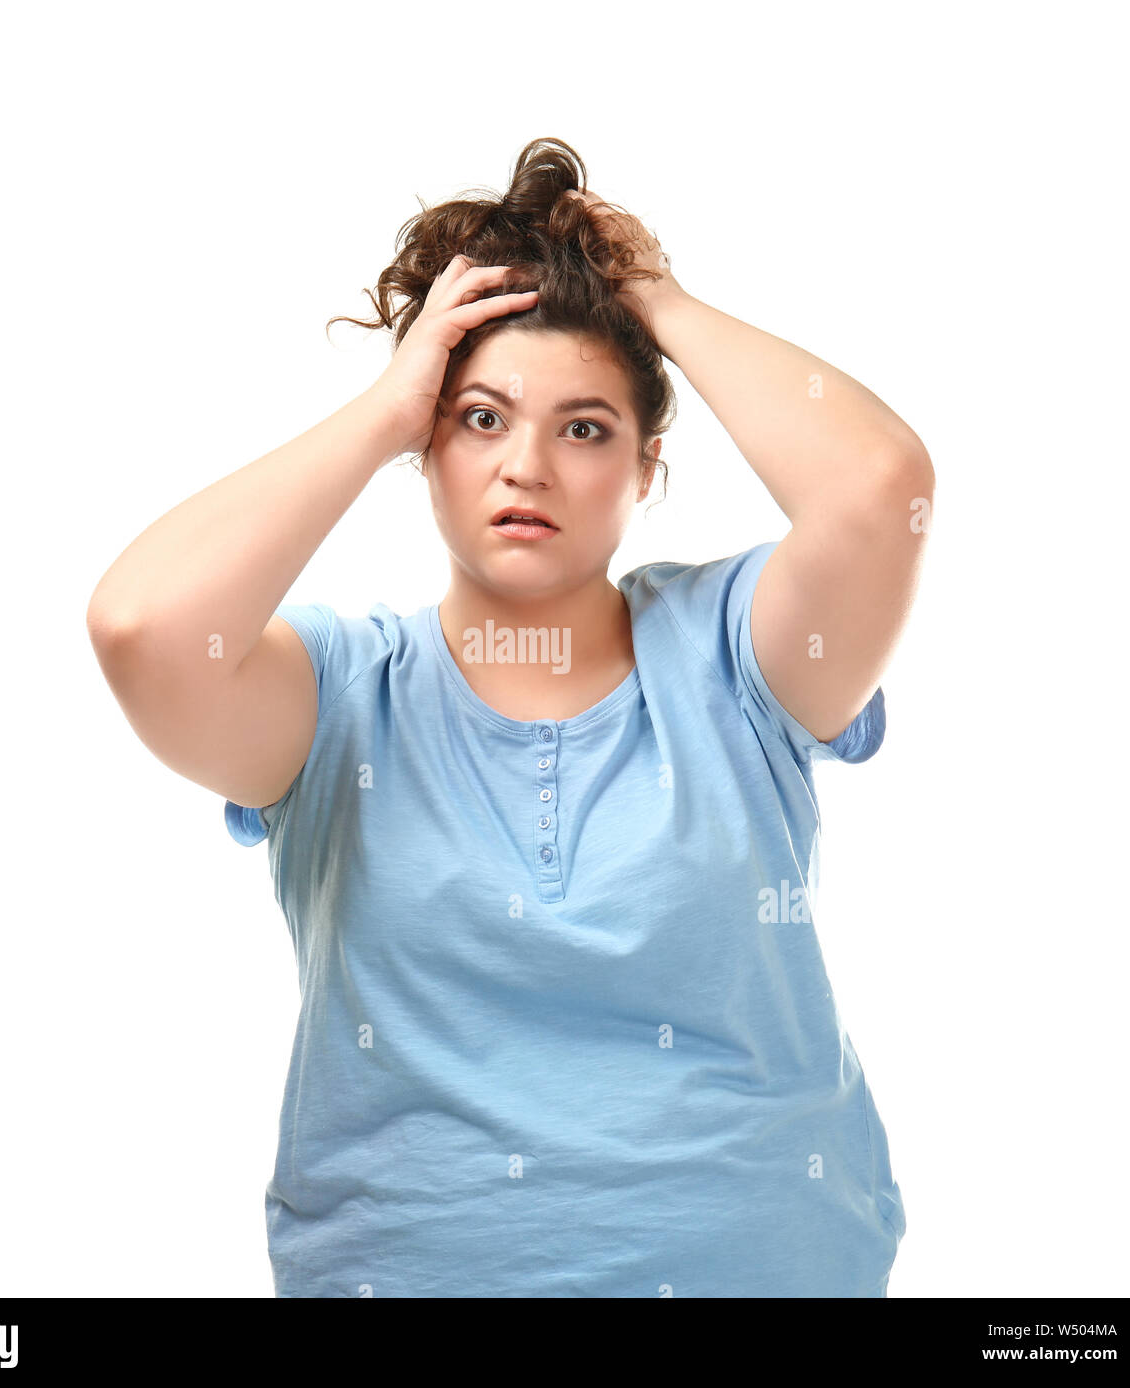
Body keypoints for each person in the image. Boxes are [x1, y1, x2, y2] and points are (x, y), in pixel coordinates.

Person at [86, 137, 933, 1297]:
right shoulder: (339, 695)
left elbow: (883, 490)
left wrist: (654, 298)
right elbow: (141, 626)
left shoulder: (737, 652)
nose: (525, 463)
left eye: (584, 427)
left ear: (644, 469)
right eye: (479, 418)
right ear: (426, 448)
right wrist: (386, 407)